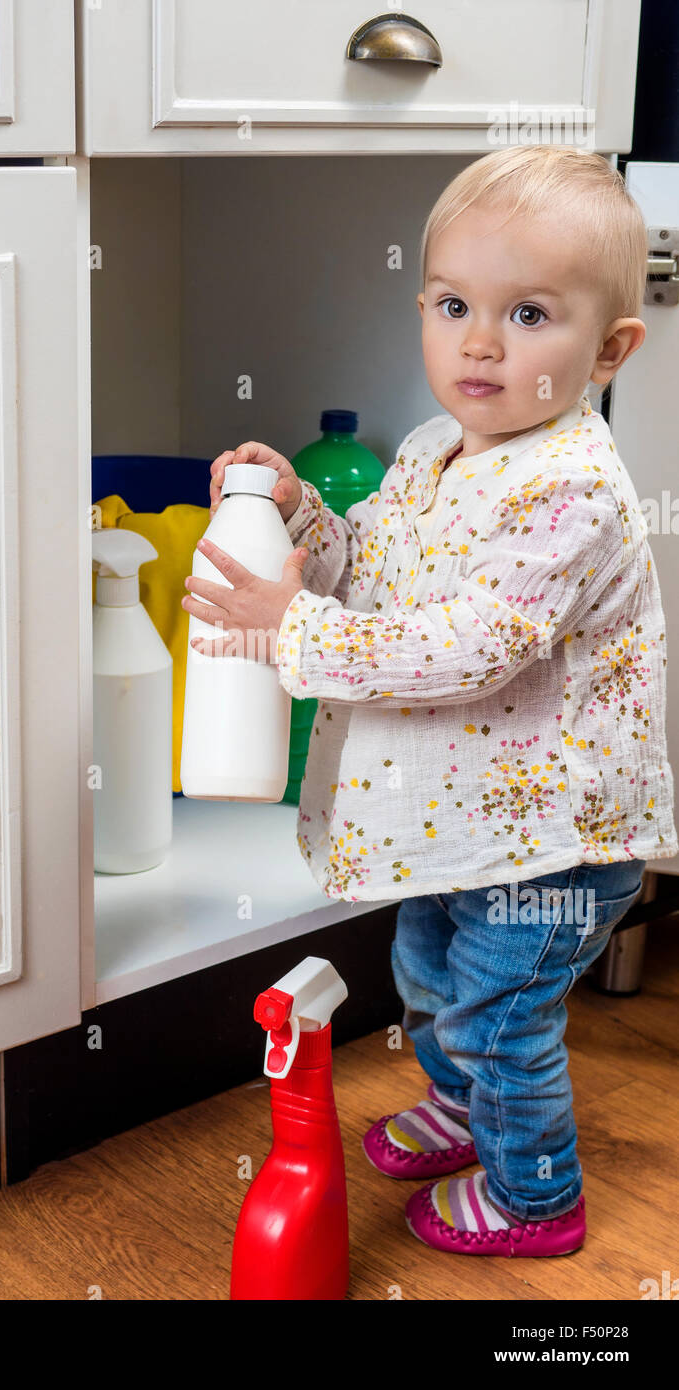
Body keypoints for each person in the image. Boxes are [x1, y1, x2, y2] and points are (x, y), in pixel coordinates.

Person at [181, 145, 677, 1256]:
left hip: (549, 839)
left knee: (501, 1020)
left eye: (529, 314)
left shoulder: (571, 488)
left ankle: (532, 1197)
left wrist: (286, 627)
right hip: (459, 823)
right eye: (453, 304)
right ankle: (462, 1109)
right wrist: (302, 523)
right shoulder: (428, 449)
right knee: (429, 972)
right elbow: (376, 575)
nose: (480, 342)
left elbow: (467, 648)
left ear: (608, 350)